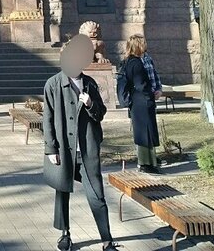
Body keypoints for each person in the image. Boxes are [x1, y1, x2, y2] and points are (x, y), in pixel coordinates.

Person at [43, 34, 119, 251]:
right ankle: (65, 234)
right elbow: (48, 118)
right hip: (63, 150)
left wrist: (90, 103)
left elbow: (100, 113)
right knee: (62, 191)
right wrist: (51, 148)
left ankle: (107, 239)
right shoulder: (53, 85)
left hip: (87, 149)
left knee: (97, 194)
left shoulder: (90, 83)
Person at [117, 34, 160, 174]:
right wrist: (151, 93)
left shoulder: (128, 62)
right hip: (142, 102)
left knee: (145, 133)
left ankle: (150, 161)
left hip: (137, 102)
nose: (146, 45)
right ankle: (146, 164)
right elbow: (140, 84)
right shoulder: (136, 63)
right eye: (143, 43)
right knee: (145, 134)